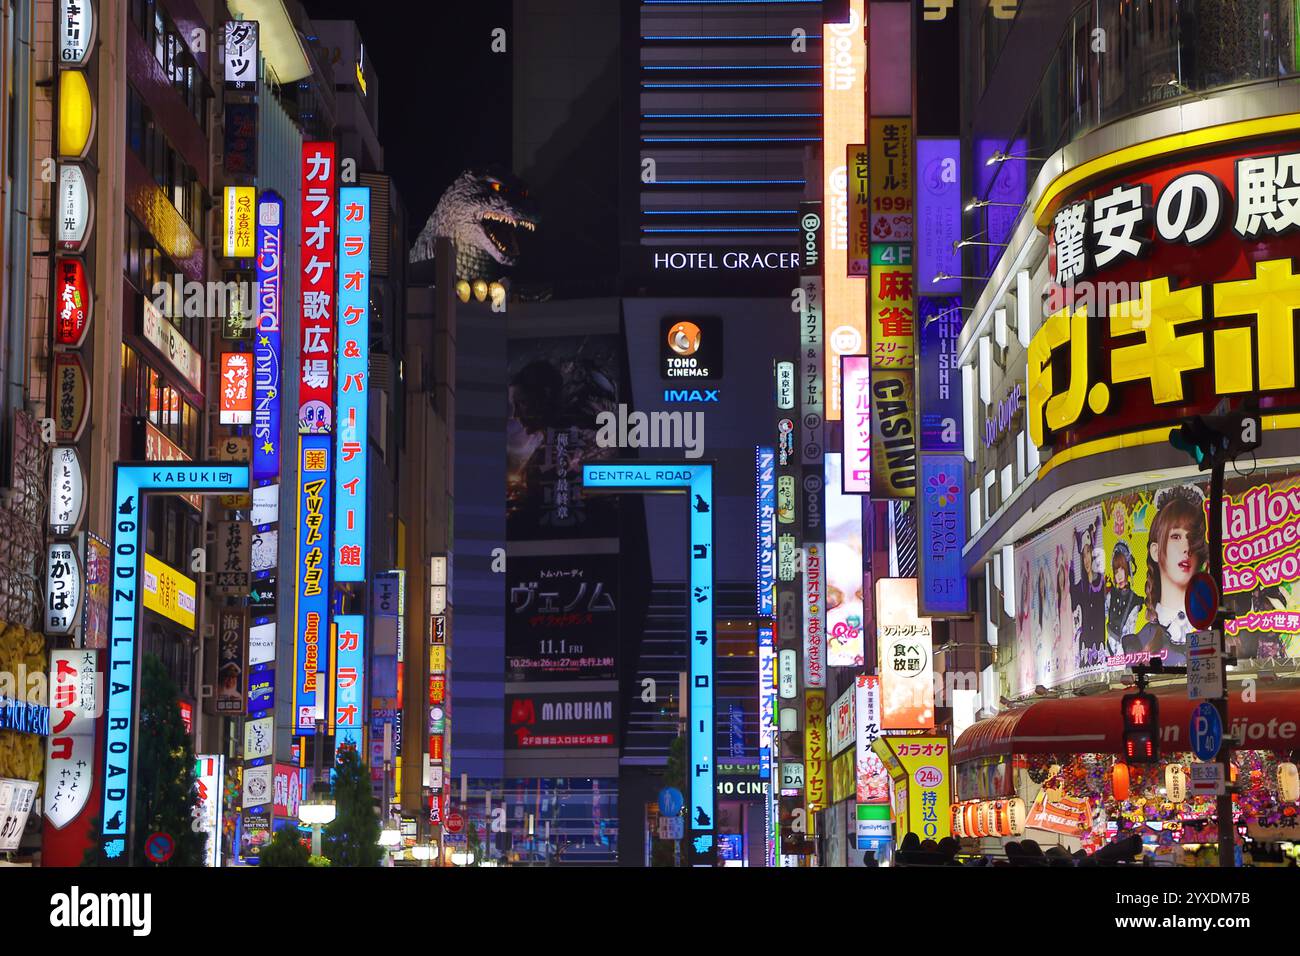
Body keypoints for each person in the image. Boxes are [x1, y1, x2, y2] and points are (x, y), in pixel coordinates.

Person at [1127, 486, 1208, 666]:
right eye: (1176, 536)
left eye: (1192, 538)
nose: (1186, 548)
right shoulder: (1140, 640)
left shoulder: (1212, 631)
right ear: (1155, 551)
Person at [1071, 520, 1107, 667]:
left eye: (1089, 552)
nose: (1086, 559)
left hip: (1099, 644)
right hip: (1085, 647)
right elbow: (1071, 586)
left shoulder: (1101, 582)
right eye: (1083, 554)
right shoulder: (1080, 587)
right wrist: (1073, 544)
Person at [1105, 541, 1143, 656]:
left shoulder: (1135, 601)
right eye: (1116, 571)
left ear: (1128, 570)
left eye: (1122, 569)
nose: (1119, 575)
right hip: (1108, 653)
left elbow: (1130, 633)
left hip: (1124, 655)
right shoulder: (1110, 596)